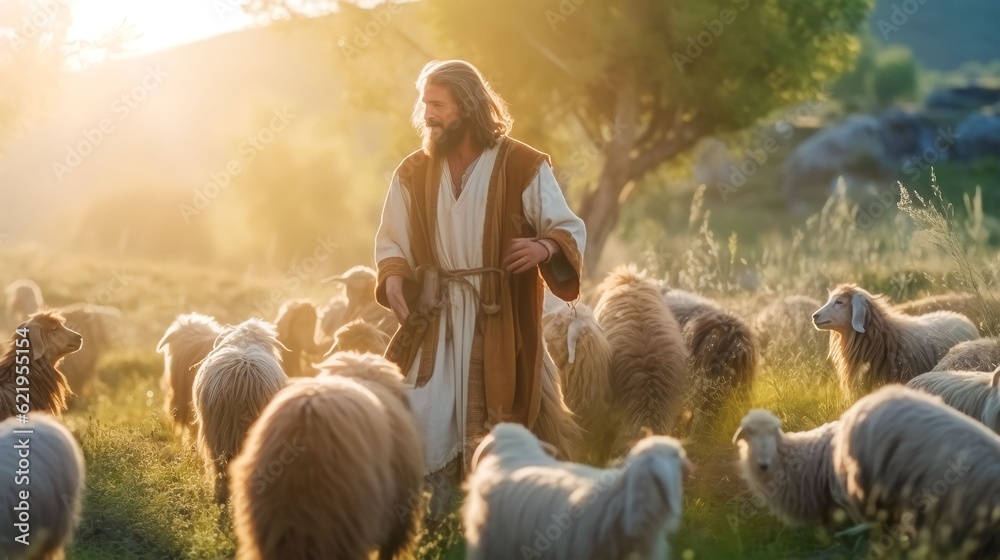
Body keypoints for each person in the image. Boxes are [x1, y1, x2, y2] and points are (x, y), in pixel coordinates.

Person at [374, 60, 586, 489]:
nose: (426, 114)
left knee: (498, 410)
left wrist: (543, 246)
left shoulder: (521, 163)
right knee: (421, 407)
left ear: (468, 105)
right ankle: (431, 512)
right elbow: (391, 239)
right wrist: (393, 275)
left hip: (498, 313)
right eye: (424, 104)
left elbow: (566, 227)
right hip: (434, 312)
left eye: (437, 104)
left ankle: (493, 504)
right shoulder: (412, 172)